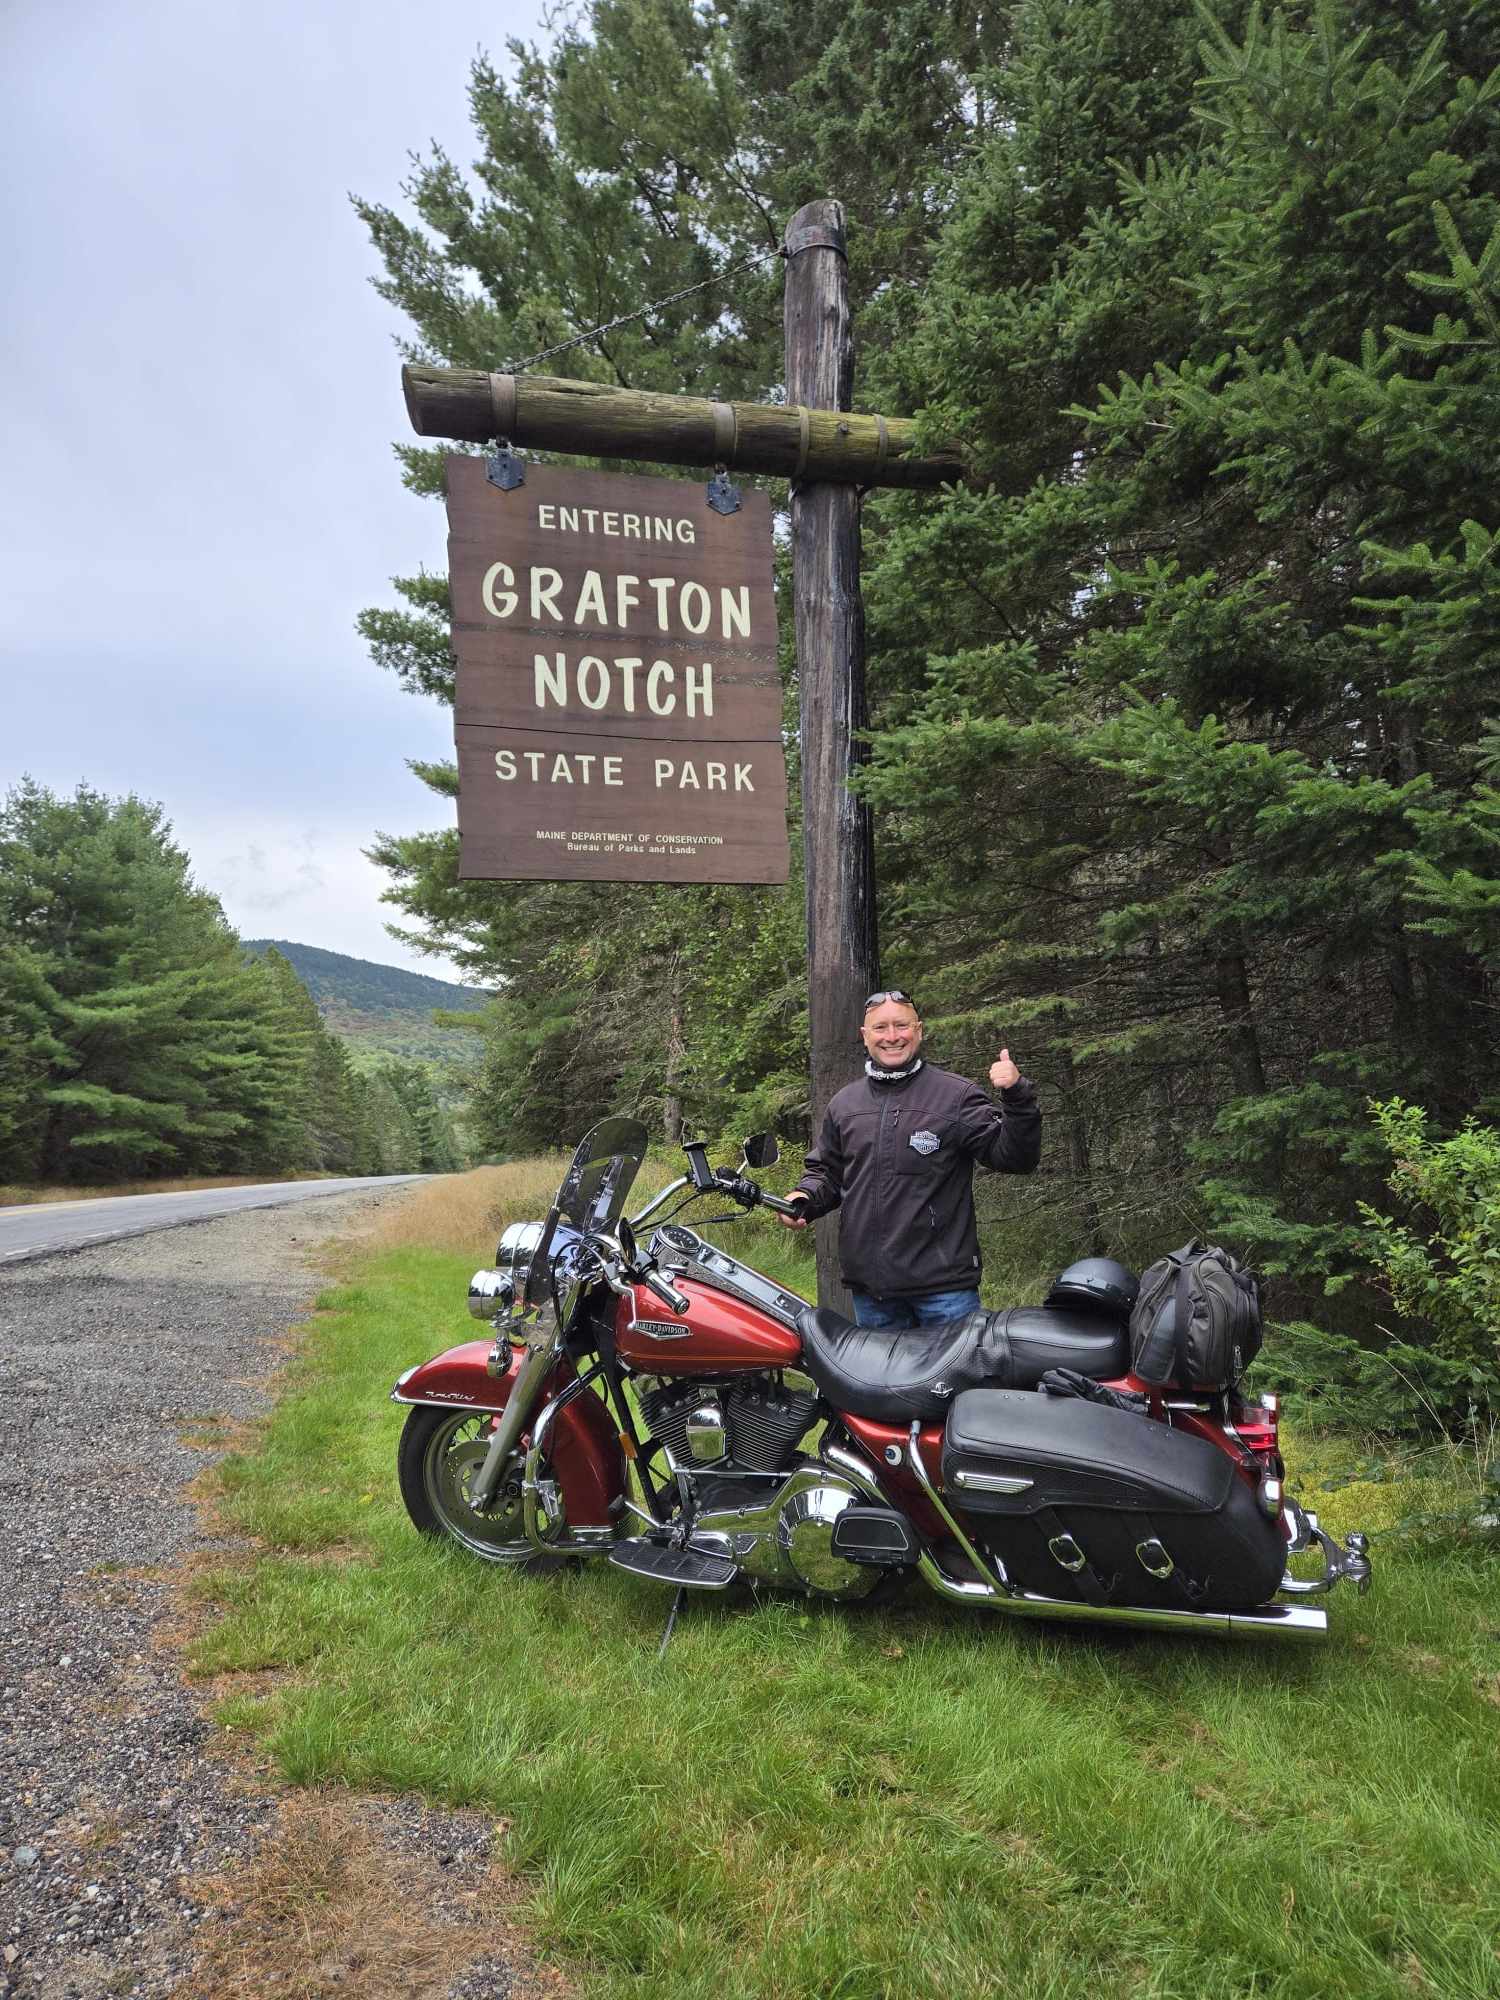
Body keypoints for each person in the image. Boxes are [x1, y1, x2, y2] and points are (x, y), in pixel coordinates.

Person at [778, 989, 1041, 1327]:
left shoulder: (955, 1095)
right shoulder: (845, 1103)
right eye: (880, 1028)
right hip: (872, 1296)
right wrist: (805, 1198)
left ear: (918, 1029)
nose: (892, 1037)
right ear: (865, 1035)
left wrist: (1017, 1096)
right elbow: (828, 1172)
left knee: (956, 1382)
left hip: (945, 1294)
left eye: (901, 1026)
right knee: (882, 1382)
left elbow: (1016, 1158)